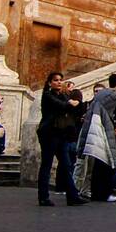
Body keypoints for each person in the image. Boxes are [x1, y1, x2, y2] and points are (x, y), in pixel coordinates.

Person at [37, 72, 86, 207]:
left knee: (66, 165)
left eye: (60, 80)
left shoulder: (63, 95)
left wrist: (75, 102)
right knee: (46, 165)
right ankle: (43, 197)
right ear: (49, 83)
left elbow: (78, 108)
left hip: (61, 134)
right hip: (49, 134)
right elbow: (62, 106)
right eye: (56, 80)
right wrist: (71, 102)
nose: (59, 82)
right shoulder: (48, 95)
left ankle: (72, 196)